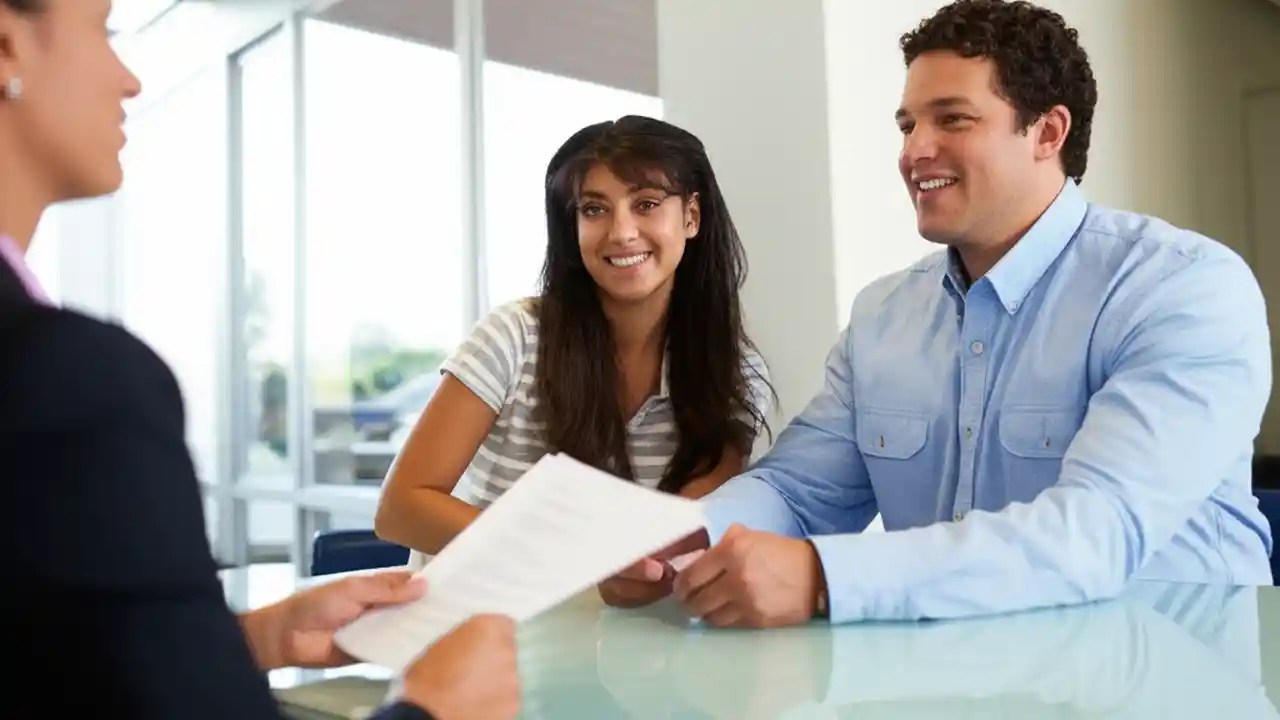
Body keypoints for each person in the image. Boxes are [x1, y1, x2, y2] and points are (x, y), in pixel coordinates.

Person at [621, 0, 1274, 626]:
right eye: (907, 125)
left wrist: (825, 578)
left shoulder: (1182, 287)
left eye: (951, 119)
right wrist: (676, 539)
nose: (913, 151)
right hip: (951, 685)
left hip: (1173, 686)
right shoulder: (883, 315)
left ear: (1047, 132)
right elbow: (796, 493)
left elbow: (1094, 535)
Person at [0, 1, 518, 718]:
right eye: (103, 29)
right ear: (6, 43)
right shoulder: (74, 383)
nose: (129, 80)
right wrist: (436, 709)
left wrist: (249, 638)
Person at [374, 115, 775, 606]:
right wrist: (569, 558)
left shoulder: (734, 372)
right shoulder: (514, 337)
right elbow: (400, 508)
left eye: (646, 204)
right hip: (464, 631)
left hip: (609, 649)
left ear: (691, 216)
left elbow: (680, 539)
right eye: (594, 209)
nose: (621, 232)